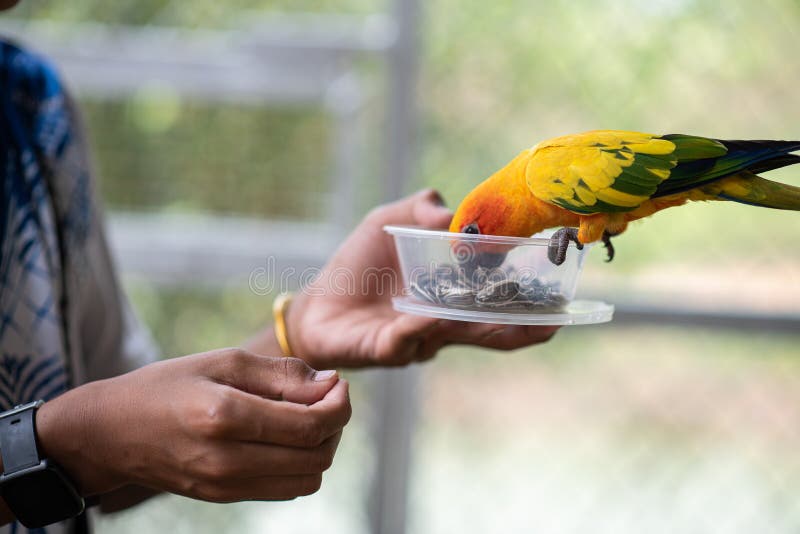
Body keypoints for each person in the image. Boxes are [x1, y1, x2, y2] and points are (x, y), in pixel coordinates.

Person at [0, 2, 559, 531]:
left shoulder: (34, 106)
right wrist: (76, 444)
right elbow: (88, 443)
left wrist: (300, 331)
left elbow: (112, 460)